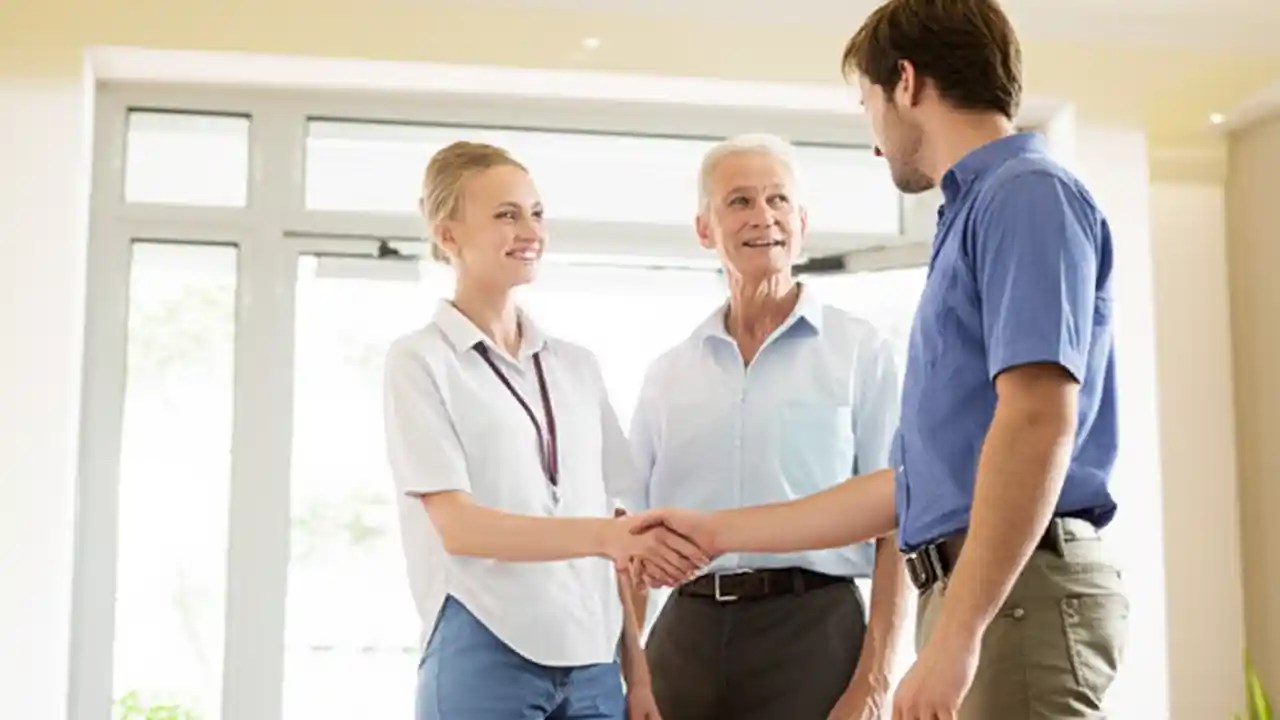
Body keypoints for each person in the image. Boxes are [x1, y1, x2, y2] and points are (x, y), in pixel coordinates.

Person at [634, 1, 1129, 718]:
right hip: (982, 589)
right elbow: (912, 485)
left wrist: (958, 636)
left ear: (904, 82)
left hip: (1012, 596)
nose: (873, 138)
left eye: (866, 102)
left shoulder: (1024, 195)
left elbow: (1036, 420)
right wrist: (721, 532)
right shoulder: (974, 213)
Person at [383, 140, 707, 719]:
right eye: (506, 215)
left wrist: (639, 678)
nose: (529, 229)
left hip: (595, 661)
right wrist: (608, 538)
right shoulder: (421, 361)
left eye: (535, 213)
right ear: (448, 235)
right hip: (484, 646)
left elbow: (613, 530)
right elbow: (460, 528)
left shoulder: (574, 365)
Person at [623, 133, 910, 720]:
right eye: (740, 202)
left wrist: (875, 682)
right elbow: (630, 542)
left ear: (802, 221)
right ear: (705, 228)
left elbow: (901, 522)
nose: (764, 218)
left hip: (813, 632)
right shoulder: (667, 374)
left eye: (778, 200)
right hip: (686, 635)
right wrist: (632, 675)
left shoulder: (861, 351)